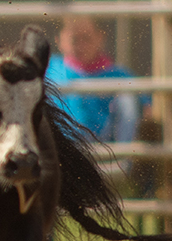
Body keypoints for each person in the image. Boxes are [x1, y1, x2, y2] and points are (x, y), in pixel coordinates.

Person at [46, 16, 153, 195]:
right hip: (64, 147)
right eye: (74, 40)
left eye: (86, 39)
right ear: (59, 41)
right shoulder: (51, 69)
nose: (80, 45)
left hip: (105, 147)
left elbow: (148, 110)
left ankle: (121, 162)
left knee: (128, 97)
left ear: (100, 37)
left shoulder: (119, 74)